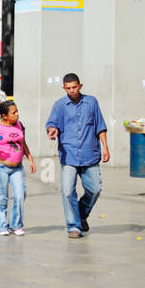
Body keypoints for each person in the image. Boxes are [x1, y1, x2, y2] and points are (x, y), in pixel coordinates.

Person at [45, 72, 109, 238]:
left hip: (90, 154)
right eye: (68, 88)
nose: (72, 91)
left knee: (95, 189)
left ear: (80, 86)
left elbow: (100, 126)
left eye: (74, 87)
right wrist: (52, 130)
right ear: (64, 88)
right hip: (69, 155)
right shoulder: (59, 105)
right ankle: (74, 226)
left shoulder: (91, 102)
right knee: (67, 191)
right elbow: (52, 123)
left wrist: (106, 148)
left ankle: (80, 214)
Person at [0, 99, 34, 235]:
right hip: (0, 167)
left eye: (17, 111)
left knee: (20, 195)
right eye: (14, 113)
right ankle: (1, 226)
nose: (17, 114)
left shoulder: (19, 125)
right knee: (2, 198)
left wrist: (30, 159)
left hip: (17, 167)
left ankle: (16, 225)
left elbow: (22, 143)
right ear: (4, 116)